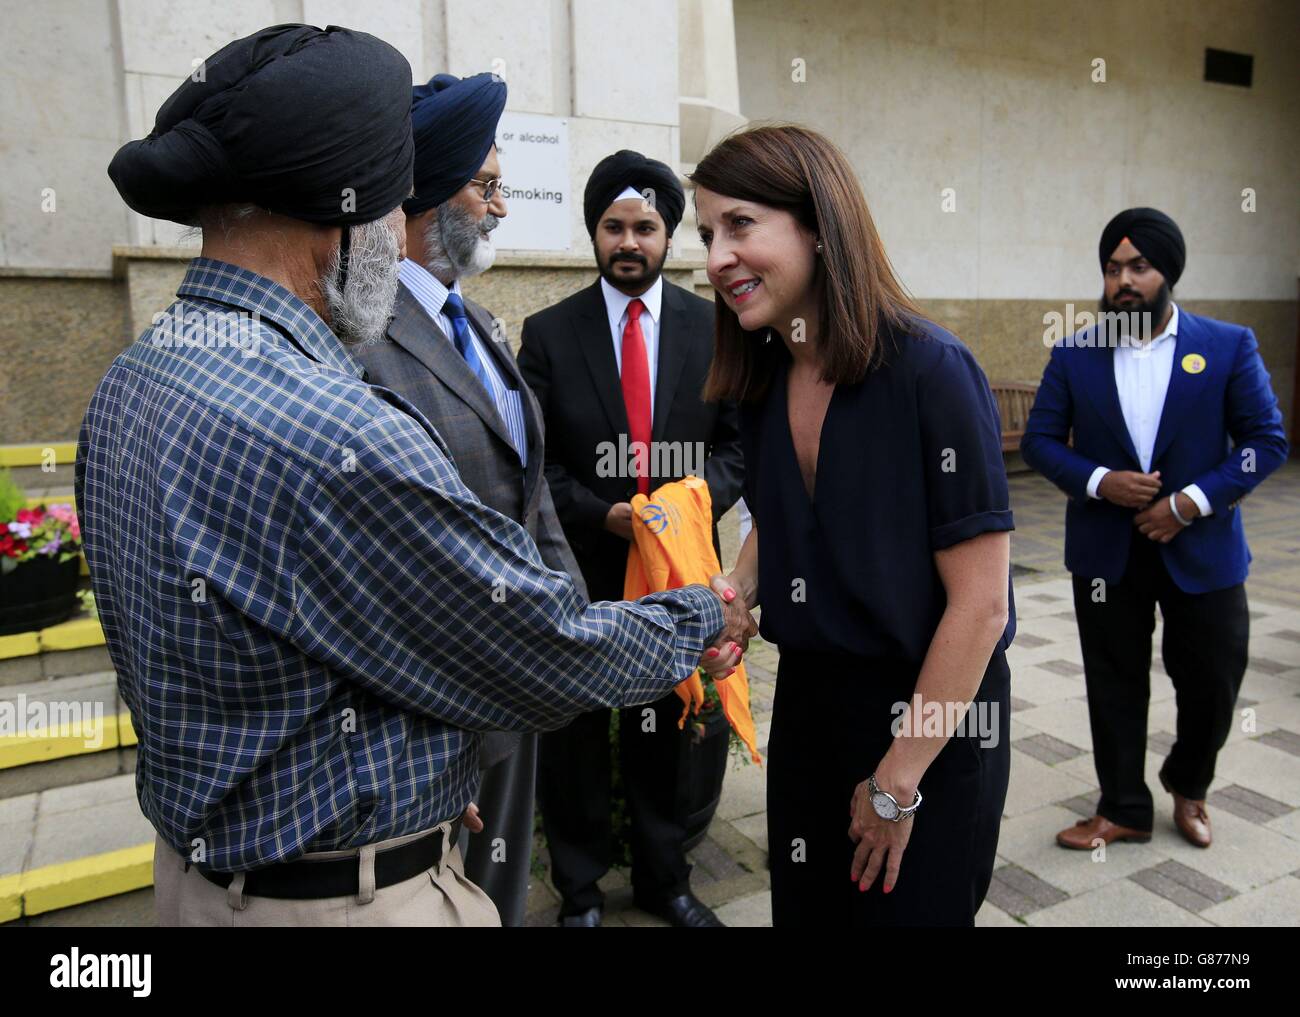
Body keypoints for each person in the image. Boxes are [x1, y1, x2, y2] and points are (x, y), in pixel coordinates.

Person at [80, 24, 753, 928]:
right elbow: (538, 649)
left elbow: (286, 646)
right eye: (394, 206)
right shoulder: (335, 422)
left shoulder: (131, 380)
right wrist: (706, 613)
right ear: (346, 216)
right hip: (340, 904)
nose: (400, 234)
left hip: (203, 880)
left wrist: (417, 772)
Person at [692, 124, 1016, 927]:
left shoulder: (933, 371)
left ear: (817, 224)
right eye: (706, 235)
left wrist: (897, 780)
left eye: (739, 224)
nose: (717, 258)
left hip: (930, 716)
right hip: (808, 707)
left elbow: (981, 606)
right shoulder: (763, 373)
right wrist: (736, 595)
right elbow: (783, 519)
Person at [349, 71, 576, 927]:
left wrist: (574, 632)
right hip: (434, 718)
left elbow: (531, 496)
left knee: (500, 898)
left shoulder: (476, 325)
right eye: (486, 187)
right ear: (429, 198)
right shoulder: (357, 338)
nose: (501, 208)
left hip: (516, 693)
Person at [518, 150, 745, 927]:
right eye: (613, 227)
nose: (628, 242)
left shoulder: (714, 327)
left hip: (677, 569)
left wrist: (687, 507)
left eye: (645, 227)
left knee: (667, 726)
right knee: (575, 735)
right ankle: (579, 893)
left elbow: (739, 445)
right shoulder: (550, 333)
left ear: (668, 235)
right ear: (594, 232)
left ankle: (664, 881)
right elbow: (533, 461)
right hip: (581, 569)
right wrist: (600, 513)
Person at [1021, 207, 1288, 851]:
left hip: (1202, 547)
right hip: (1107, 552)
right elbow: (1040, 442)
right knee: (1113, 680)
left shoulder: (1227, 345)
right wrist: (1099, 481)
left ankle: (1188, 783)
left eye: (1138, 267)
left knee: (1213, 680)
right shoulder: (1077, 352)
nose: (1123, 281)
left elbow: (1265, 441)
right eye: (1113, 268)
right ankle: (1123, 808)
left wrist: (1189, 503)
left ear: (1168, 272)